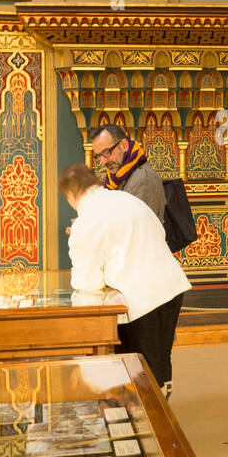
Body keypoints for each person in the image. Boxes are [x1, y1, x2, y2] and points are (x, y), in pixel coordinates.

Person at [59, 164, 190, 397]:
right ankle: (163, 404)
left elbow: (86, 283)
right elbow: (159, 233)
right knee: (161, 358)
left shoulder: (86, 220)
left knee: (143, 368)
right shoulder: (127, 199)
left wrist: (84, 331)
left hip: (143, 300)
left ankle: (153, 413)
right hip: (171, 287)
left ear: (70, 194)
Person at [90, 123, 166, 224]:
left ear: (124, 145)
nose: (103, 162)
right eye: (98, 156)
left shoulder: (143, 179)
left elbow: (134, 227)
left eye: (106, 152)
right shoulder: (118, 176)